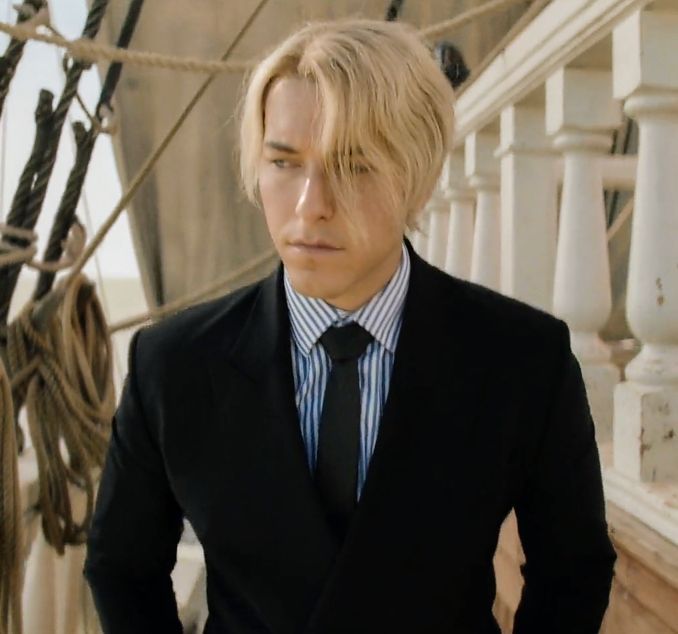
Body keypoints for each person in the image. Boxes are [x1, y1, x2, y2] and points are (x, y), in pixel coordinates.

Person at [84, 18, 616, 634]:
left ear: (418, 176)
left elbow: (573, 571)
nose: (310, 205)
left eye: (353, 165)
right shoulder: (172, 364)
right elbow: (122, 568)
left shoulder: (524, 361)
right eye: (283, 162)